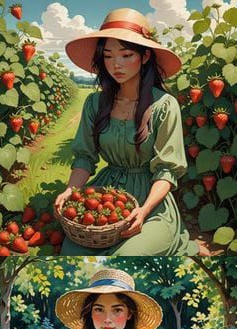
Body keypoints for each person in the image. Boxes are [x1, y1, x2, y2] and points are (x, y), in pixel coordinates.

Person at [55, 9, 190, 255]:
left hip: (151, 201)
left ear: (145, 56)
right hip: (107, 193)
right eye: (108, 56)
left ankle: (163, 230)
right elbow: (85, 157)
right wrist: (71, 191)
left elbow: (167, 169)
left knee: (126, 255)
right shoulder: (95, 104)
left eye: (127, 55)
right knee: (73, 251)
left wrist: (144, 210)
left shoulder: (164, 106)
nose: (116, 64)